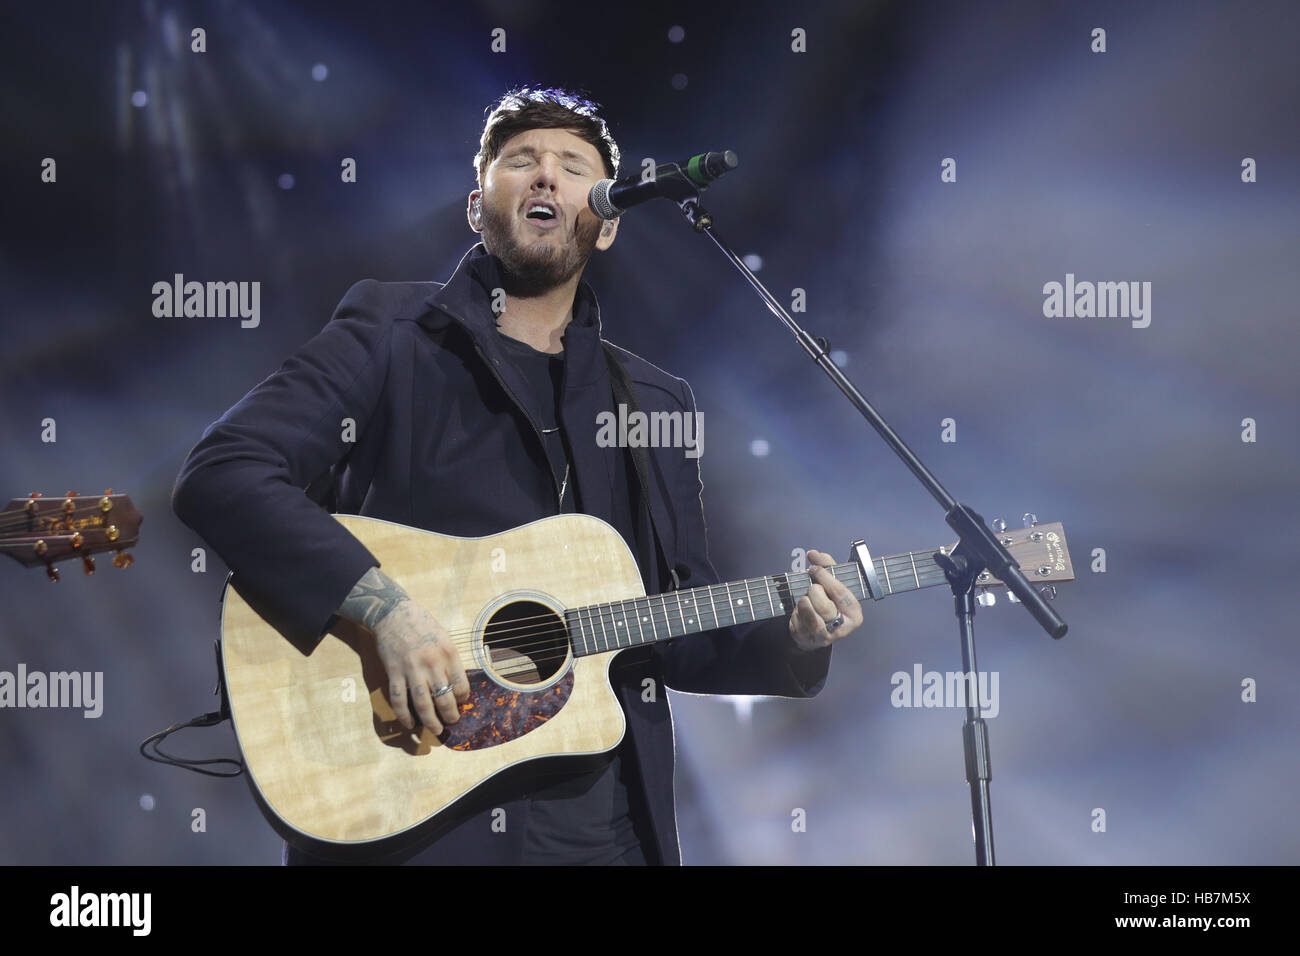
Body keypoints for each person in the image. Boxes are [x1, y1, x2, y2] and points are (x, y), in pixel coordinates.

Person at [172, 87, 863, 865]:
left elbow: (679, 634)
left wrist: (798, 637)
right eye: (522, 162)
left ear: (608, 222)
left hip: (605, 833)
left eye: (574, 168)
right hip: (421, 813)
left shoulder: (655, 401)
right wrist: (384, 609)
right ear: (477, 205)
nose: (547, 179)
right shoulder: (391, 335)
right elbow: (224, 472)